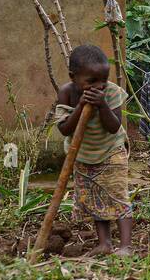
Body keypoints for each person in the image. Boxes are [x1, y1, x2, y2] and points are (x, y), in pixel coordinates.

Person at [53, 44, 134, 256]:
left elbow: (114, 126)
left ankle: (126, 246)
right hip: (82, 155)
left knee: (117, 194)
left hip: (111, 151)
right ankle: (104, 243)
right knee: (96, 198)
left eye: (103, 80)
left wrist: (102, 105)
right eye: (91, 82)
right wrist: (80, 106)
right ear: (73, 77)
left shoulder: (112, 92)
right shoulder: (66, 93)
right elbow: (64, 129)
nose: (99, 86)